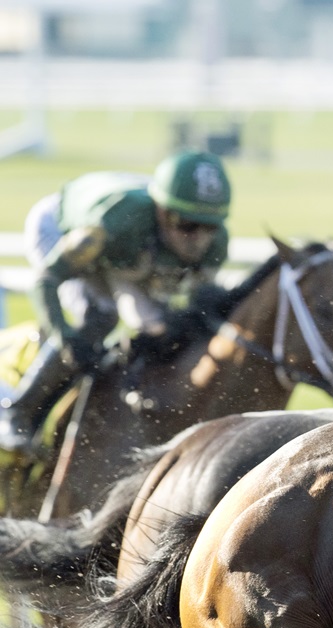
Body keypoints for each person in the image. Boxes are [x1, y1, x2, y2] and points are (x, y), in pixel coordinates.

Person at [0, 151, 231, 452]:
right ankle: (15, 413)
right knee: (98, 319)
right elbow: (45, 281)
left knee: (162, 326)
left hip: (130, 247)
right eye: (187, 225)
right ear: (162, 212)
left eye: (209, 226)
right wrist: (66, 336)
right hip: (57, 225)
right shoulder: (111, 225)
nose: (198, 239)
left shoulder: (216, 245)